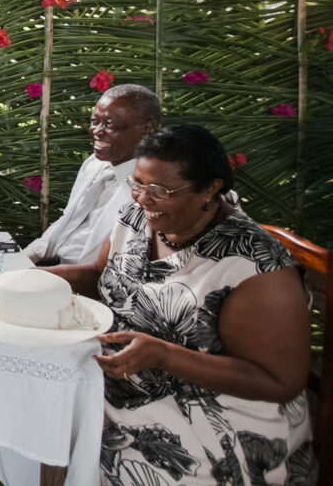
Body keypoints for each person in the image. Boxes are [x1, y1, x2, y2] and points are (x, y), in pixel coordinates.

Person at [50, 125, 317, 484]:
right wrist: (32, 279)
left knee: (62, 427)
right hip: (128, 386)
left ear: (210, 188)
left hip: (217, 425)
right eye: (138, 183)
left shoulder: (255, 266)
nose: (143, 198)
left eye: (160, 190)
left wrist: (164, 356)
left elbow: (279, 381)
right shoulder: (137, 216)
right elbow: (101, 273)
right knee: (41, 404)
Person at [21, 84, 160, 266]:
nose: (97, 131)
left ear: (147, 128)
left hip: (88, 282)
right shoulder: (94, 164)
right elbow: (67, 221)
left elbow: (110, 267)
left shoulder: (150, 188)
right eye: (95, 121)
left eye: (110, 124)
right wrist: (22, 260)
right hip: (51, 266)